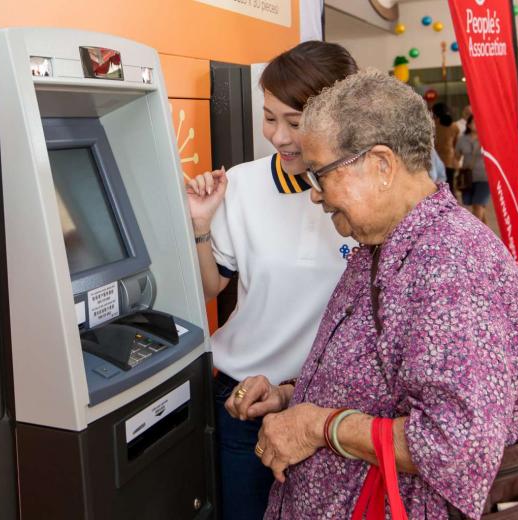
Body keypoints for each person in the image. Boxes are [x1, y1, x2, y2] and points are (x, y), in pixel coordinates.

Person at [226, 69, 518, 519]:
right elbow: (385, 383)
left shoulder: (452, 265)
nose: (316, 196)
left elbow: (455, 445)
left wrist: (317, 425)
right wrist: (292, 395)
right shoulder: (389, 243)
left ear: (381, 165)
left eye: (321, 175)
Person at [185, 41, 358, 520]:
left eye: (296, 123)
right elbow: (210, 289)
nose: (278, 137)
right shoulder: (242, 184)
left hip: (334, 410)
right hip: (243, 401)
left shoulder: (367, 193)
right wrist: (201, 224)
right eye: (269, 117)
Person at [455, 115, 490, 223]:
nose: (477, 125)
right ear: (469, 125)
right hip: (468, 177)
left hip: (484, 177)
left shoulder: (487, 138)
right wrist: (459, 169)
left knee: (478, 205)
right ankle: (486, 231)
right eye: (474, 122)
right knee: (474, 205)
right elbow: (457, 156)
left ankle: (477, 234)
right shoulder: (462, 139)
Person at [432, 102, 460, 193]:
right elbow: (456, 143)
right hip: (449, 160)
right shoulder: (454, 126)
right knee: (450, 186)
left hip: (435, 160)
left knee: (436, 188)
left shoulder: (433, 126)